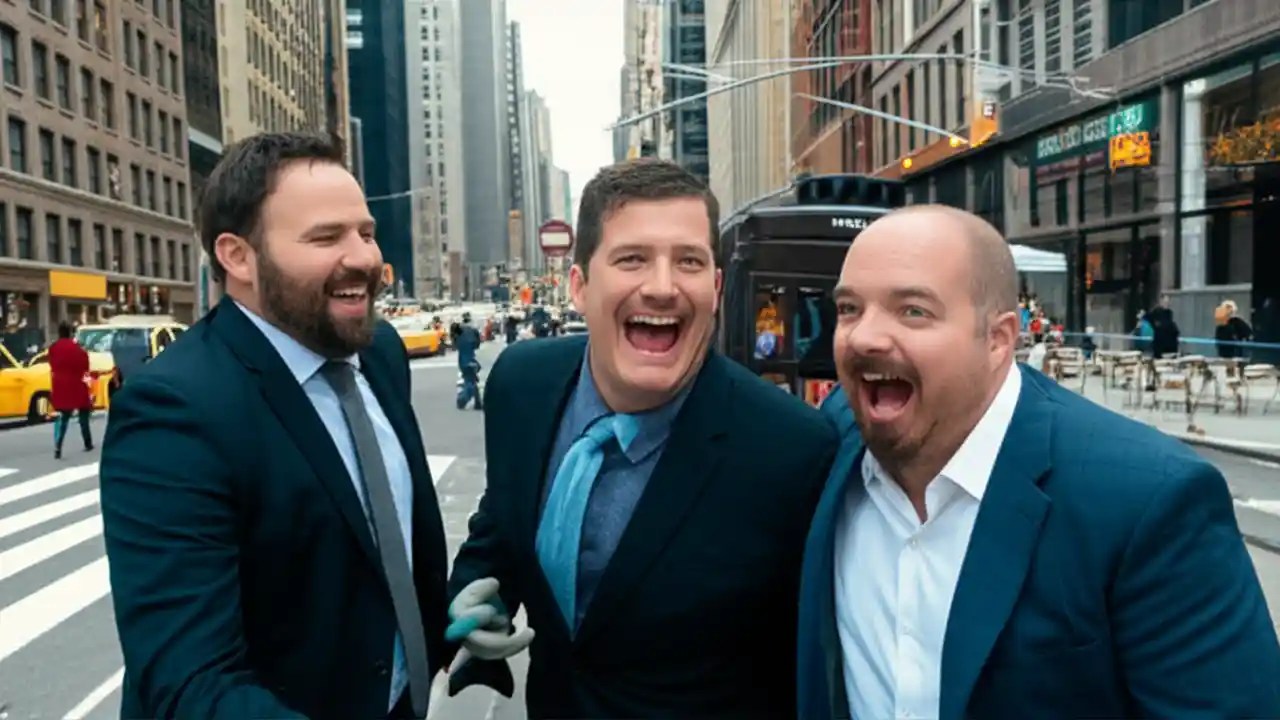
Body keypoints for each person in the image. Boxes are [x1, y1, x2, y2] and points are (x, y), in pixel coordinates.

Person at [796, 205, 1280, 720]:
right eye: (849, 309)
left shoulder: (1150, 502)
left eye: (913, 311)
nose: (864, 337)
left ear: (998, 339)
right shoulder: (830, 441)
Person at [445, 158, 837, 719]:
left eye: (689, 261)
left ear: (716, 288)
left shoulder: (794, 450)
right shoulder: (520, 385)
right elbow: (502, 518)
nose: (661, 287)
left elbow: (807, 668)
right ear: (579, 286)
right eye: (632, 259)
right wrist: (478, 592)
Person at [99, 132, 455, 719]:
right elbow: (191, 684)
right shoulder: (172, 410)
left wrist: (446, 620)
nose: (365, 258)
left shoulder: (380, 353)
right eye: (326, 237)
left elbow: (372, 554)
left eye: (366, 233)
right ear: (238, 257)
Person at [48, 321, 94, 458]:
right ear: (70, 333)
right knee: (84, 416)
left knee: (64, 418)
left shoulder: (53, 348)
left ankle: (58, 446)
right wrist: (89, 386)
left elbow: (52, 365)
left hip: (61, 387)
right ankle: (87, 442)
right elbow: (85, 369)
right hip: (78, 386)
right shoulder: (78, 349)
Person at [454, 312, 482, 410]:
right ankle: (463, 400)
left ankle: (477, 402)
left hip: (462, 359)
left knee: (470, 379)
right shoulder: (473, 330)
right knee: (471, 380)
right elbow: (477, 344)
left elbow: (455, 344)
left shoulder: (458, 330)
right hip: (470, 357)